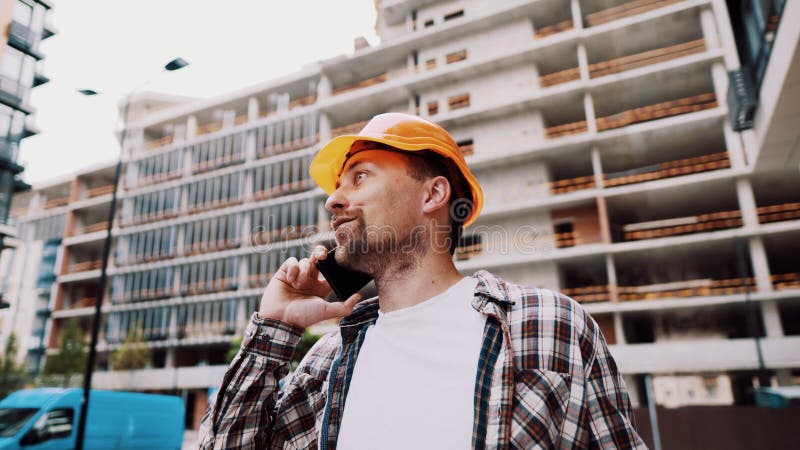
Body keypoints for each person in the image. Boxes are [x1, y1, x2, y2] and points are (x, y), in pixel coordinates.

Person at [199, 113, 646, 449]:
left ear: (432, 194)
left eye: (360, 177)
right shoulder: (327, 360)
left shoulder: (548, 327)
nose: (334, 200)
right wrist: (275, 328)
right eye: (338, 186)